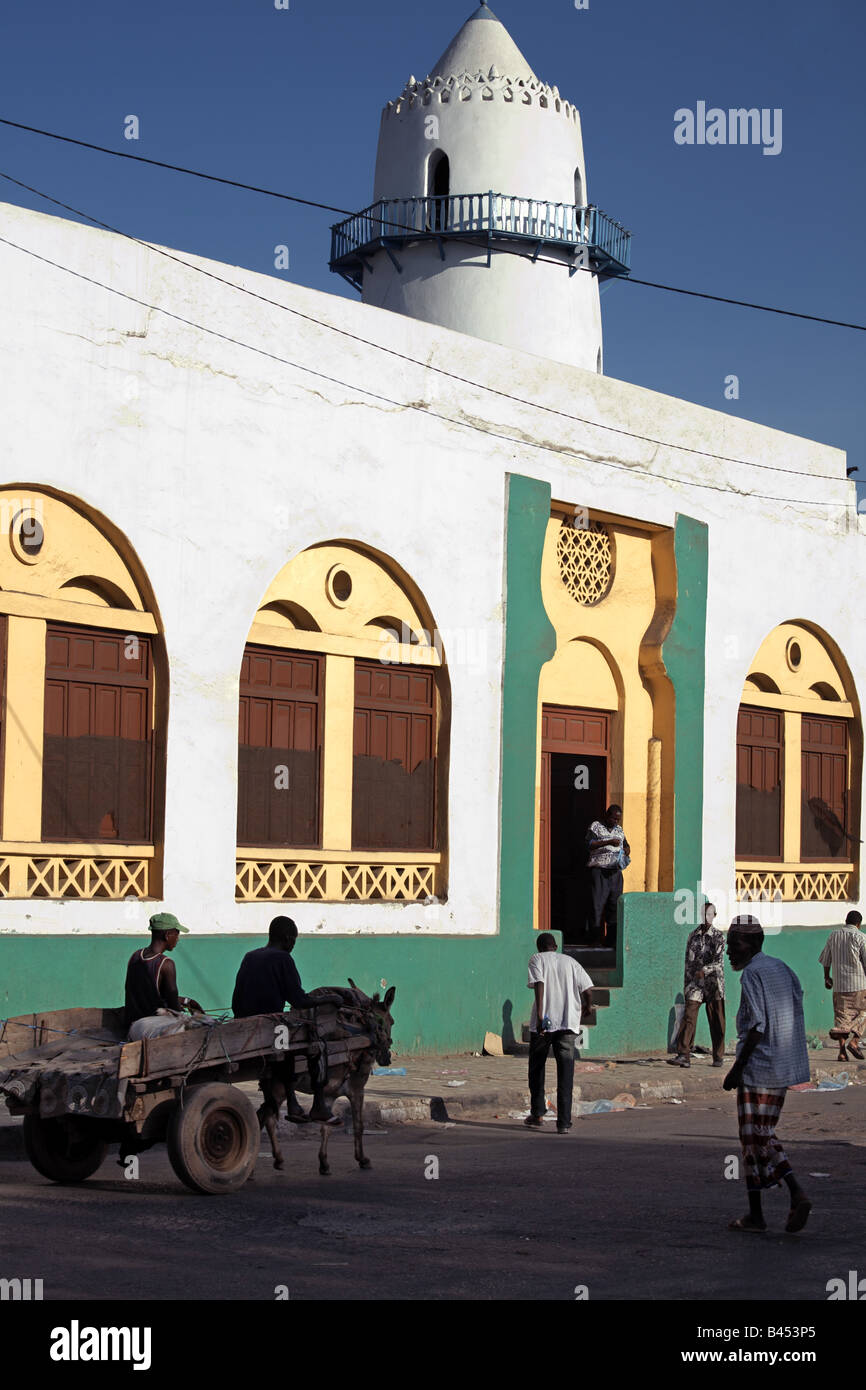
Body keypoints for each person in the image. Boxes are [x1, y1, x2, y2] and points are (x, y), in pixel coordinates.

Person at [723, 915, 812, 1234]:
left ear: (753, 944)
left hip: (758, 1067)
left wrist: (736, 1069)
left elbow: (757, 1026)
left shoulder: (752, 974)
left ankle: (788, 1195)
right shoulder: (781, 968)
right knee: (761, 1135)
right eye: (729, 945)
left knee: (754, 1139)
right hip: (782, 1065)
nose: (730, 952)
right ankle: (768, 1206)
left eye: (736, 945)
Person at [232, 916, 344, 1123]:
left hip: (244, 1026)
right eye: (293, 940)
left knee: (287, 1044)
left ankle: (292, 1103)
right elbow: (299, 1000)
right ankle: (318, 1105)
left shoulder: (250, 956)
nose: (293, 945)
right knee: (316, 1045)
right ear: (286, 938)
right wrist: (329, 999)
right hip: (269, 1030)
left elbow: (235, 1001)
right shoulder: (283, 959)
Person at [524, 933, 594, 1135]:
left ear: (539, 947)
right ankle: (563, 1122)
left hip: (544, 1025)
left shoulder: (536, 959)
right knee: (566, 1073)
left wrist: (539, 1015)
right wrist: (587, 1008)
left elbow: (539, 983)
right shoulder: (570, 961)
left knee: (536, 1068)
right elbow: (588, 989)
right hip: (568, 1024)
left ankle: (537, 1113)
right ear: (555, 946)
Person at [668, 901, 726, 1068]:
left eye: (710, 914)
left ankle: (718, 1056)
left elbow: (719, 963)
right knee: (689, 1015)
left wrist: (705, 971)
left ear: (714, 916)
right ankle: (683, 1054)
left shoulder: (718, 936)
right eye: (704, 914)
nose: (706, 917)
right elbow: (688, 963)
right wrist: (687, 985)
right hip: (696, 984)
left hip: (714, 983)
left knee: (717, 1021)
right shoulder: (692, 936)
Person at [123, 912, 203, 1031]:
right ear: (167, 935)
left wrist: (188, 1001)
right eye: (177, 934)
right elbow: (173, 1006)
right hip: (152, 1028)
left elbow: (151, 994)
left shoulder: (135, 956)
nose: (177, 939)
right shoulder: (166, 964)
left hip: (131, 1025)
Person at [819, 909, 866, 1061]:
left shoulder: (834, 936)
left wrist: (827, 977)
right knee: (863, 1014)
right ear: (858, 924)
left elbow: (826, 959)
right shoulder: (861, 937)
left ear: (846, 921)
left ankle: (842, 1052)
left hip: (839, 986)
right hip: (859, 985)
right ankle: (854, 1041)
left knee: (841, 1019)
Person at [585, 804, 629, 946]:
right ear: (607, 815)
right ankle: (594, 939)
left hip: (615, 872)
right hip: (599, 872)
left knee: (614, 906)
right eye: (613, 819)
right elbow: (589, 844)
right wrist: (608, 841)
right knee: (596, 906)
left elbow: (626, 845)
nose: (615, 822)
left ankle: (611, 941)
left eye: (618, 820)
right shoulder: (596, 826)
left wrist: (627, 849)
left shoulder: (619, 830)